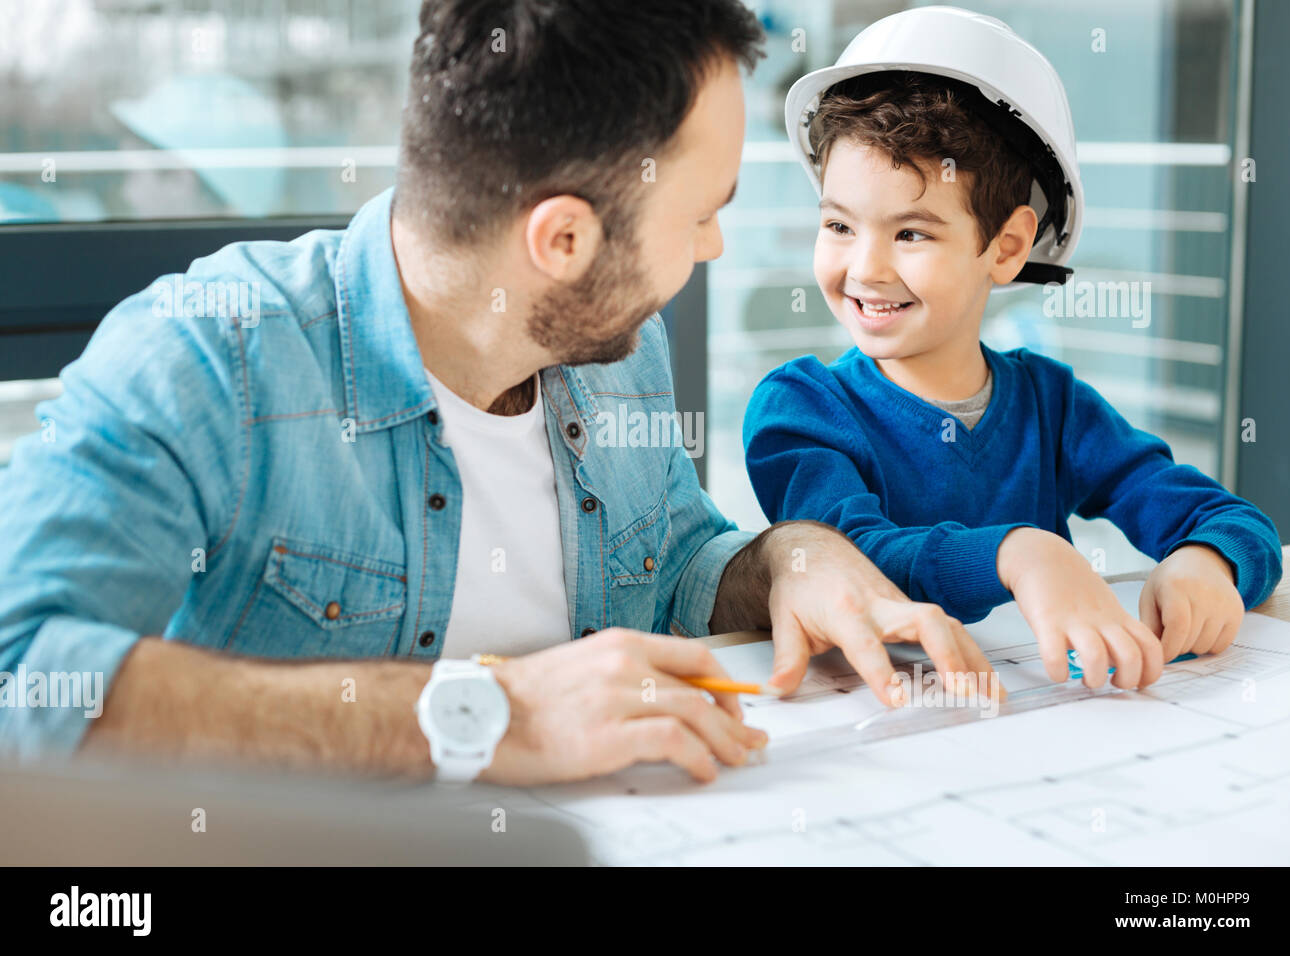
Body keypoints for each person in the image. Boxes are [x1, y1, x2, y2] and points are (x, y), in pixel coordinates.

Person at [0, 0, 998, 786]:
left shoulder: (616, 343)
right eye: (702, 214)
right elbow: (22, 677)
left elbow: (673, 558)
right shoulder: (206, 357)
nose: (713, 248)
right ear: (562, 241)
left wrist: (788, 559)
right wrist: (483, 716)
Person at [744, 7, 1282, 694]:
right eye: (839, 224)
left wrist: (1210, 560)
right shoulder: (800, 412)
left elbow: (1232, 519)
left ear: (1005, 247)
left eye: (911, 233)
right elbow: (857, 558)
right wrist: (1019, 554)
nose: (866, 267)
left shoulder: (1053, 406)